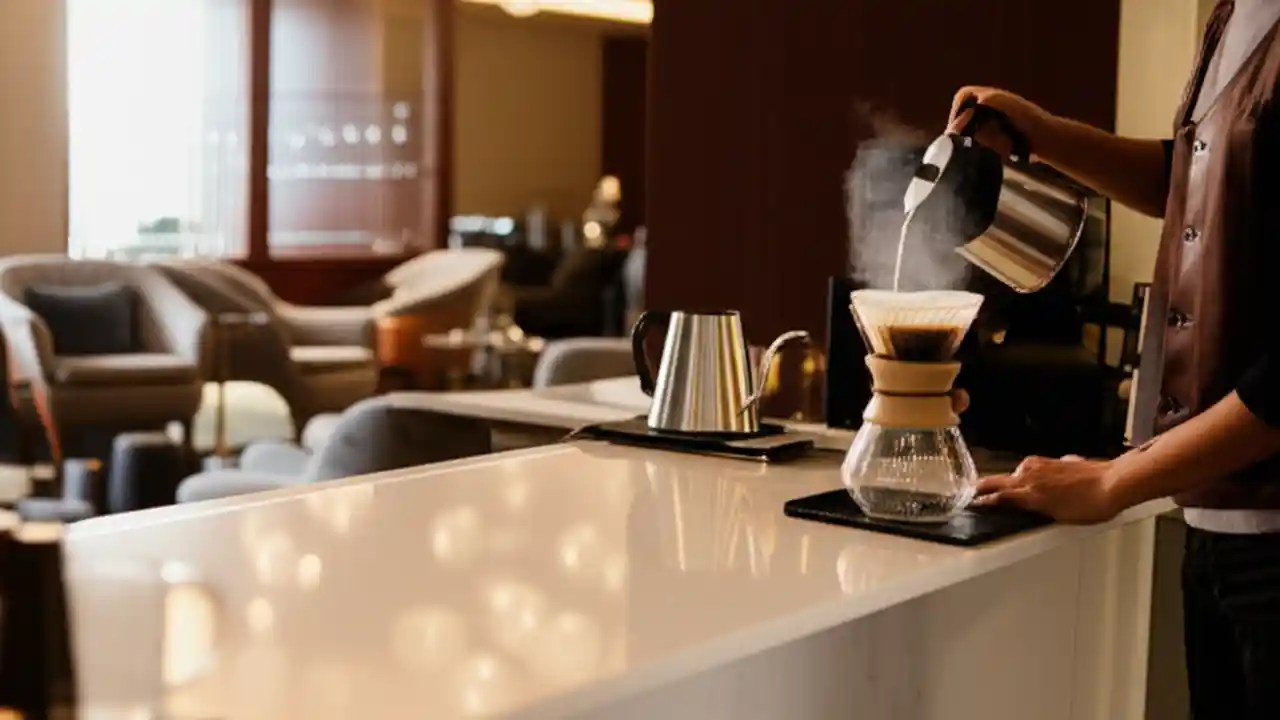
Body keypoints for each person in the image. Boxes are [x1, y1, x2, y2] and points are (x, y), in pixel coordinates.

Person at [955, 2, 1280, 716]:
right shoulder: (1237, 16)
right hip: (1216, 528)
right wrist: (1038, 136)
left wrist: (1116, 480)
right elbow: (1192, 177)